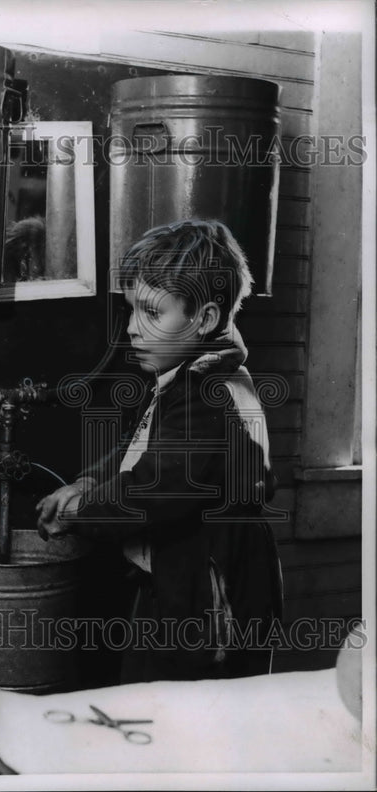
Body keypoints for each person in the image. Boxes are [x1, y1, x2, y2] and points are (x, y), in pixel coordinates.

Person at [36, 219, 283, 683]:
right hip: (178, 582)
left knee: (187, 724)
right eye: (131, 311)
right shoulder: (189, 377)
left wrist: (78, 512)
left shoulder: (207, 394)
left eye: (152, 312)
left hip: (211, 601)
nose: (132, 328)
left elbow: (150, 488)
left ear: (205, 319)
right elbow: (140, 446)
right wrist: (89, 481)